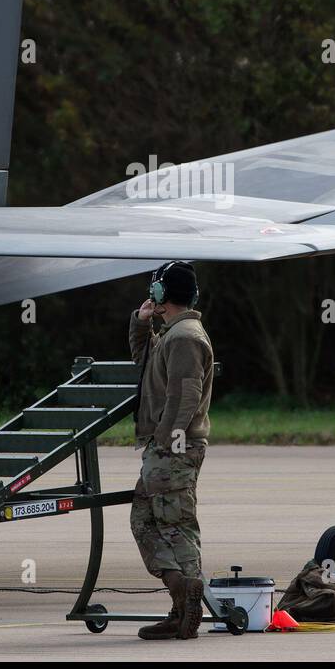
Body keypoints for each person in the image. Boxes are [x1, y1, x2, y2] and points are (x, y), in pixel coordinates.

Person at [127, 260, 214, 639]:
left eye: (155, 290)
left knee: (175, 522)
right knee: (146, 521)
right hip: (165, 447)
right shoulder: (174, 333)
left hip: (173, 449)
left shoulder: (185, 337)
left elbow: (186, 395)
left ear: (163, 293)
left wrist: (167, 441)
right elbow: (143, 363)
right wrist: (141, 323)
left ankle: (188, 593)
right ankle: (181, 596)